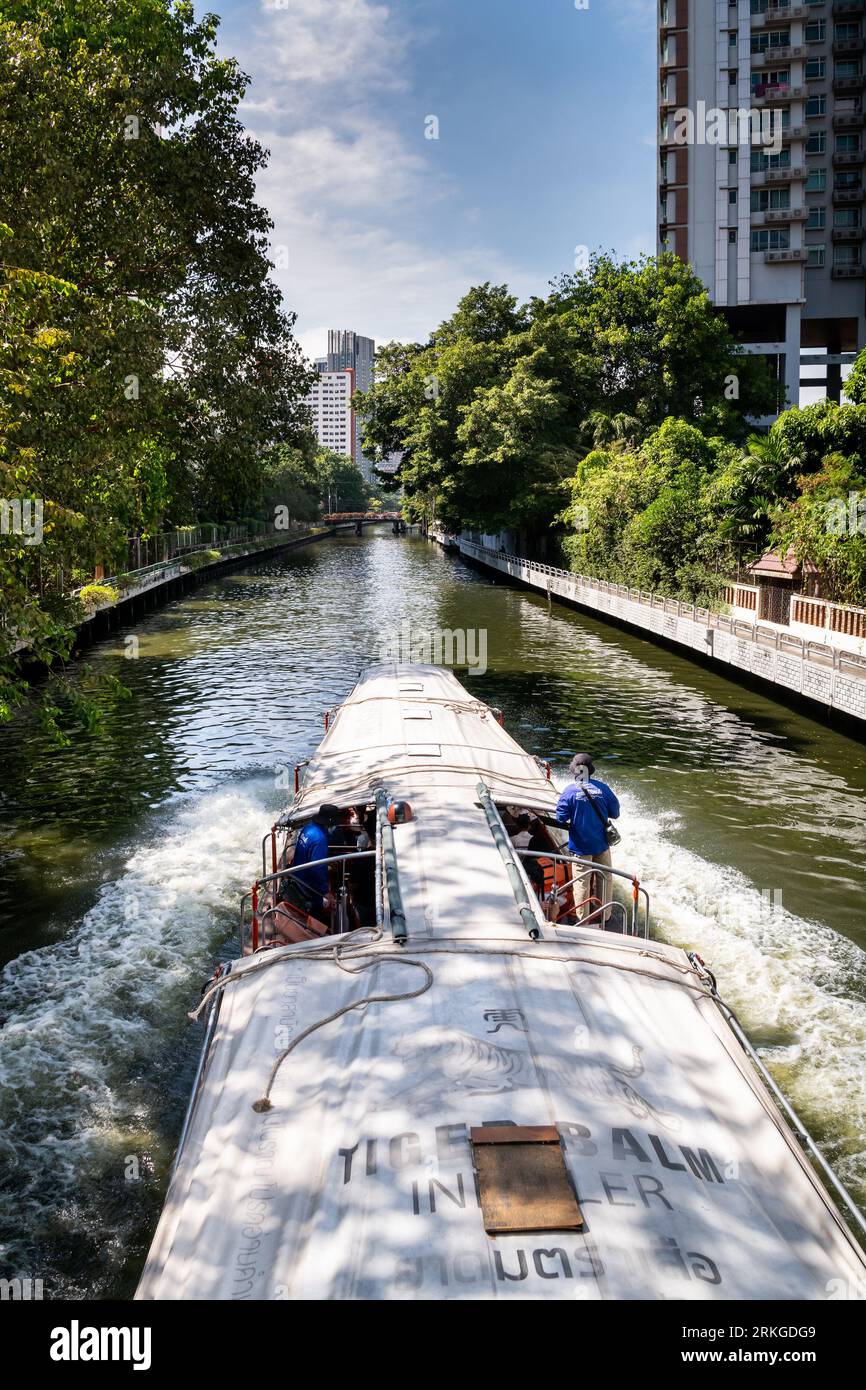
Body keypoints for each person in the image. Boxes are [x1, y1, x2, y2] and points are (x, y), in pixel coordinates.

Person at [556, 754, 620, 924]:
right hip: (601, 844)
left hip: (580, 846)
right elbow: (615, 813)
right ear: (590, 771)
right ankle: (605, 917)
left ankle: (582, 921)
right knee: (605, 878)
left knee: (581, 883)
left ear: (575, 771)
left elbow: (561, 818)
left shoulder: (569, 791)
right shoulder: (603, 789)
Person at [290, 804, 340, 915]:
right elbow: (318, 868)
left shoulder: (309, 827)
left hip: (297, 876)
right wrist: (325, 892)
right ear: (329, 823)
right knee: (320, 911)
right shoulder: (320, 840)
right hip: (307, 885)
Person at [510, 813, 545, 893]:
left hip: (517, 869)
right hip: (531, 871)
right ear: (529, 826)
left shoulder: (512, 839)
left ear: (517, 825)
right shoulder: (534, 840)